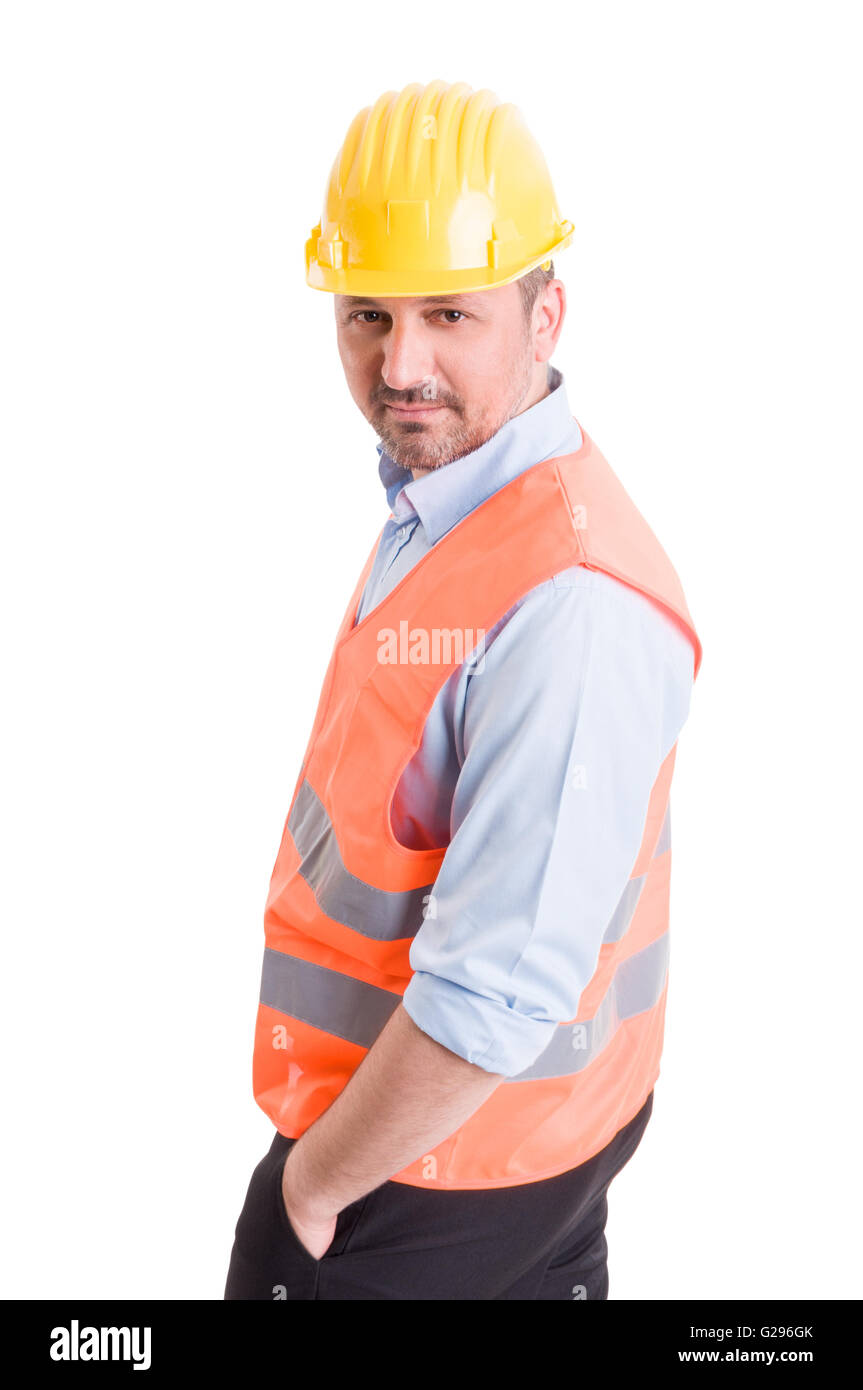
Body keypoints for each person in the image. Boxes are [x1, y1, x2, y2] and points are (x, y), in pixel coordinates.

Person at [224, 79, 703, 1301]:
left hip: (423, 1175)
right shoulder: (461, 498)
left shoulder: (567, 602)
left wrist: (313, 1189)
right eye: (366, 314)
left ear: (545, 315)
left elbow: (493, 991)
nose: (401, 365)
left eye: (449, 311)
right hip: (525, 1152)